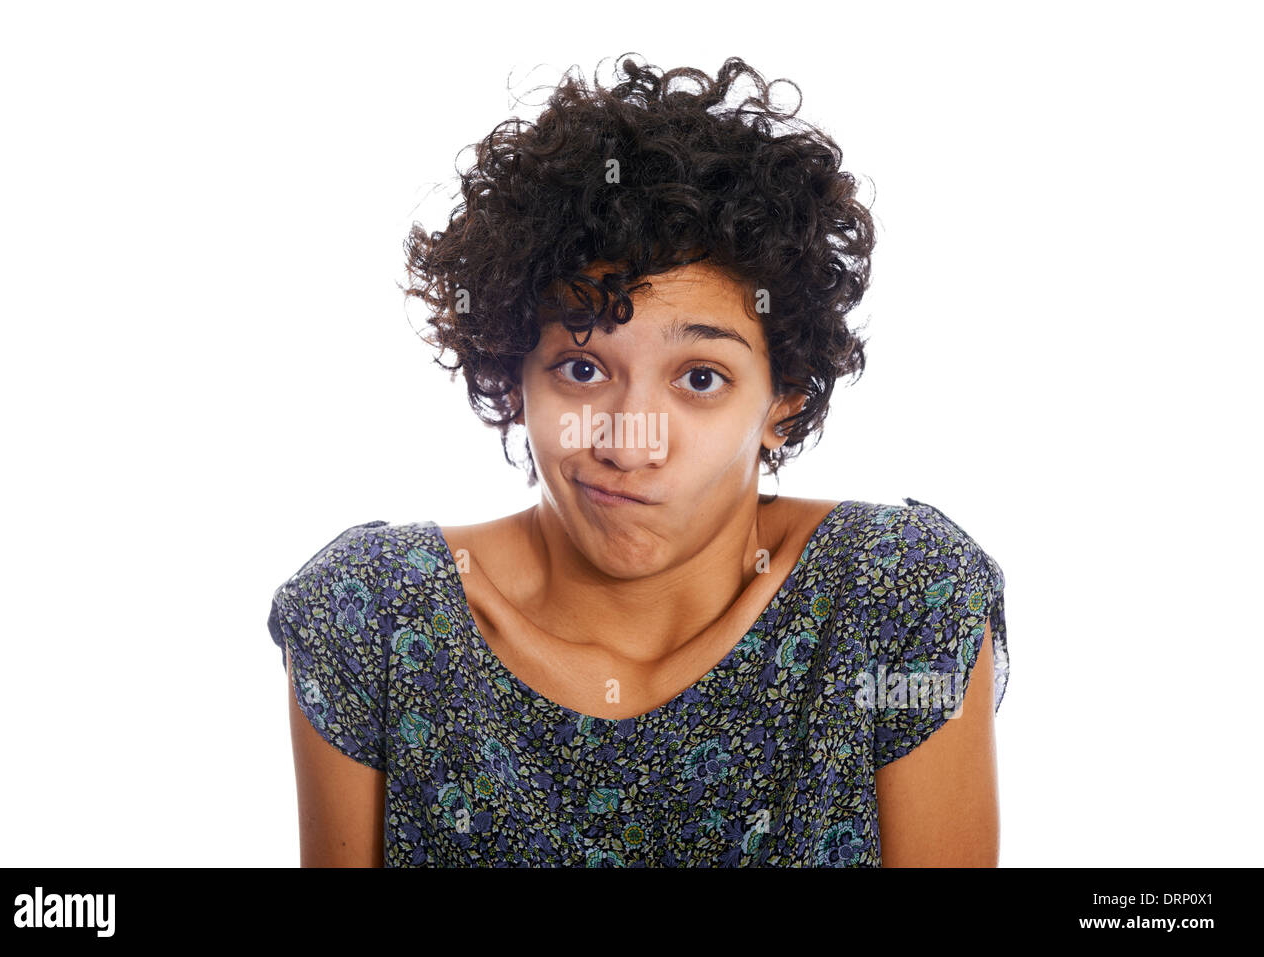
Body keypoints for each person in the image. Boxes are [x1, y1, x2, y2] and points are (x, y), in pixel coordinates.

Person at [267, 54, 1009, 867]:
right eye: (582, 368)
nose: (630, 441)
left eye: (699, 378)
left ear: (784, 397)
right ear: (512, 371)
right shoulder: (371, 614)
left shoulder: (897, 597)